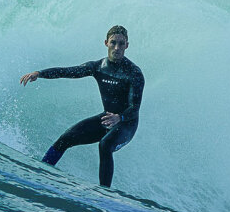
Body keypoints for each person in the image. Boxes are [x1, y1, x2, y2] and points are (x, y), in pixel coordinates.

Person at [20, 25, 144, 188]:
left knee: (105, 145)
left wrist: (119, 117)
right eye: (113, 43)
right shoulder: (98, 67)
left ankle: (104, 194)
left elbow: (135, 108)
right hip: (107, 118)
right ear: (106, 43)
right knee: (65, 139)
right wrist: (40, 73)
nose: (117, 48)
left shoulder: (134, 73)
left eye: (121, 44)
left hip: (126, 124)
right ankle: (40, 173)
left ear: (127, 45)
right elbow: (68, 71)